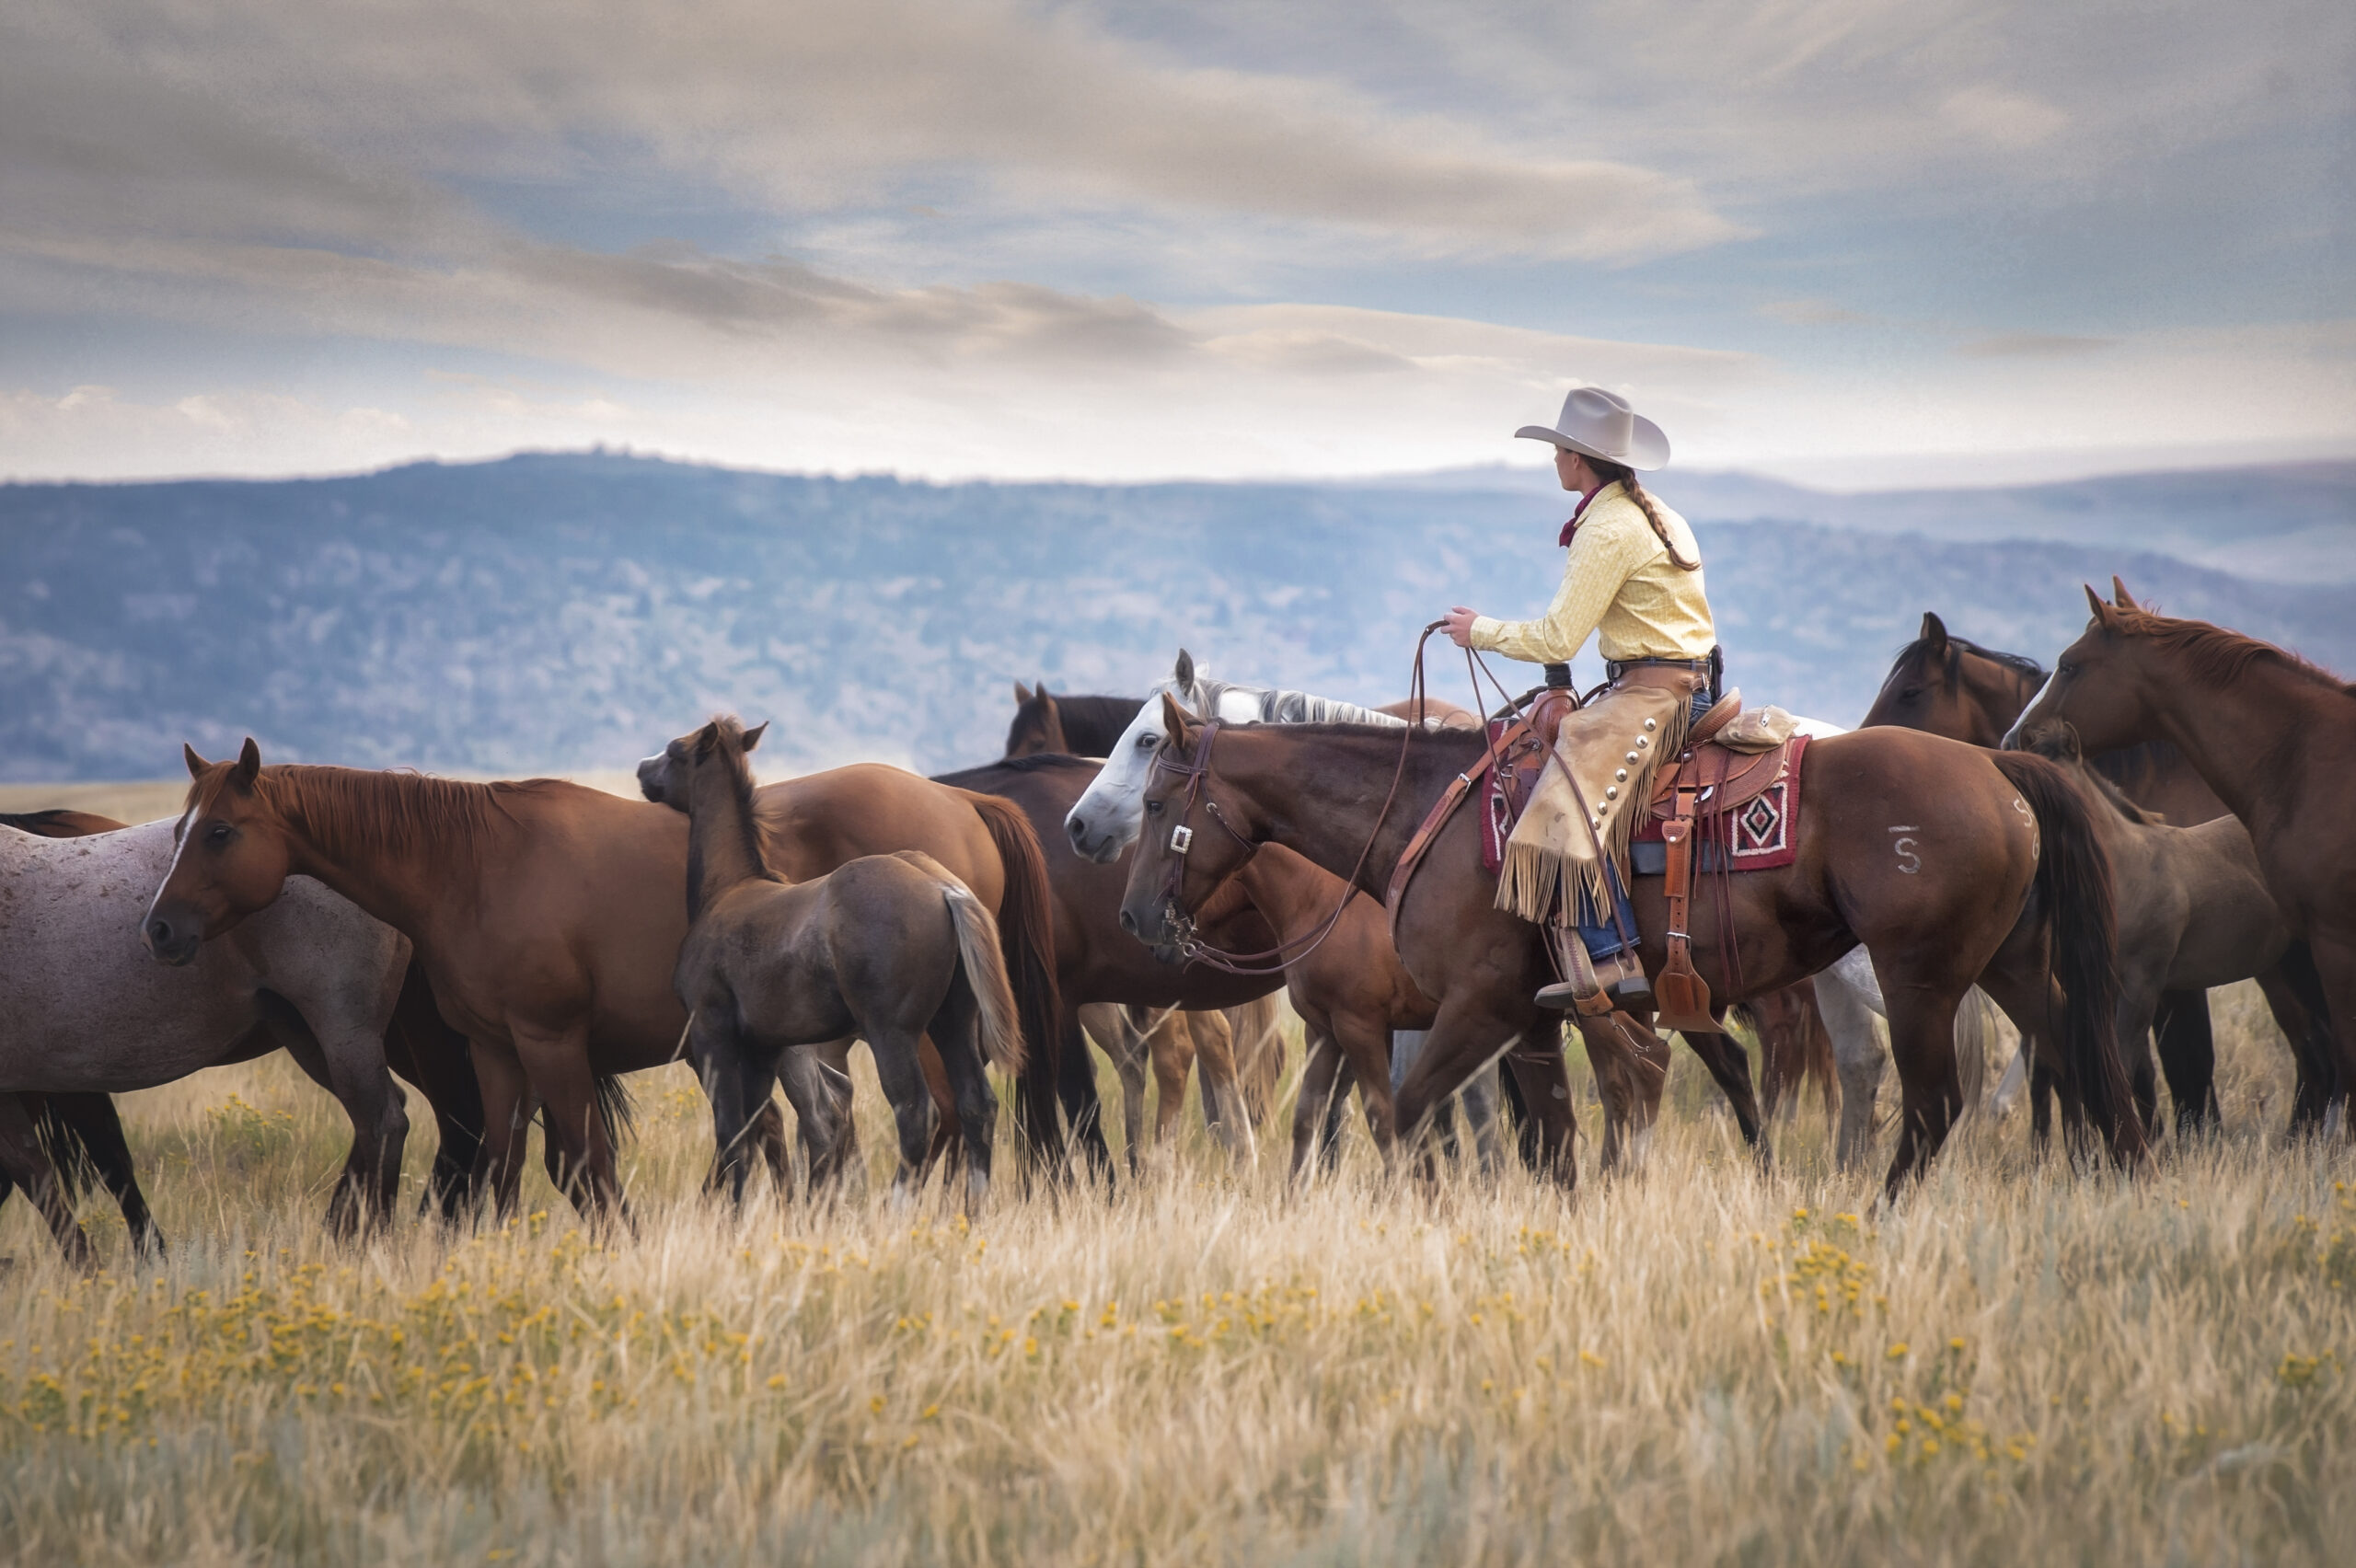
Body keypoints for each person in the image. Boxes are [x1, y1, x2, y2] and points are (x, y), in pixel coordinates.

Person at [1442, 386, 1718, 1014]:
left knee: (1561, 800)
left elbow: (1560, 634)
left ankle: (1608, 954)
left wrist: (1477, 631)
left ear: (1575, 458)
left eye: (1559, 451)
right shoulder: (1655, 513)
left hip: (1653, 695)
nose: (1556, 461)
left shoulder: (1610, 526)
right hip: (1686, 681)